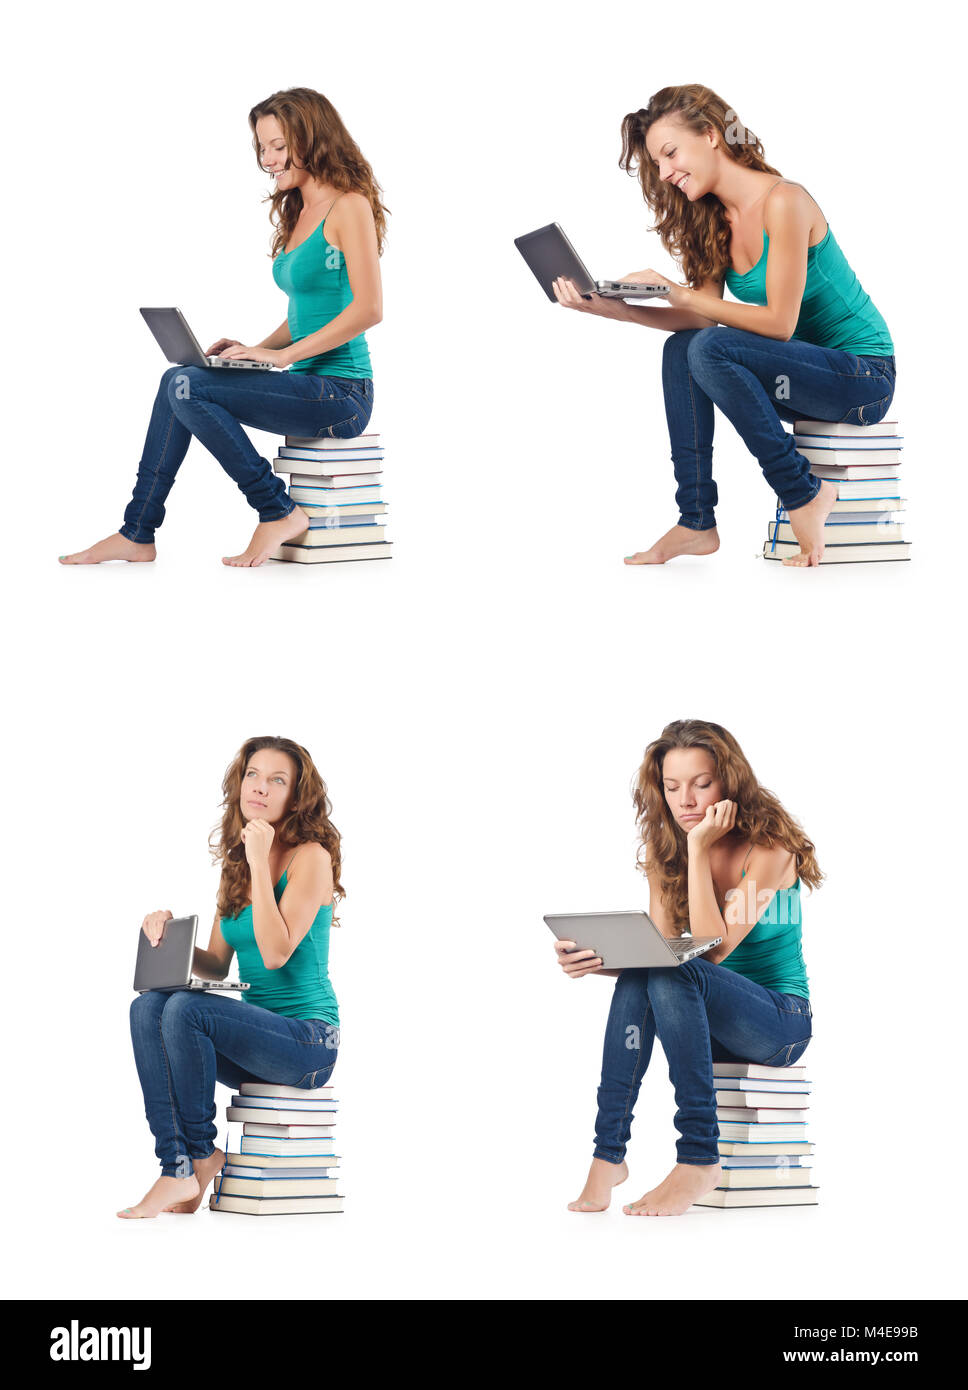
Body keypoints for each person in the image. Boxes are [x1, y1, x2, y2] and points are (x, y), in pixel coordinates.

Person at [552, 84, 896, 567]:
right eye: (657, 164)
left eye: (670, 153)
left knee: (707, 348)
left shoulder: (785, 201)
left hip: (863, 379)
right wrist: (614, 308)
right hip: (803, 376)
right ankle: (696, 521)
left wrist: (674, 289)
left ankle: (803, 493)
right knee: (685, 348)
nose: (665, 172)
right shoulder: (715, 219)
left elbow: (779, 324)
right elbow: (700, 318)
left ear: (711, 134)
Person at [61, 87, 386, 568]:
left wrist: (283, 357)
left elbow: (368, 309)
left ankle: (276, 510)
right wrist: (256, 348)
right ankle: (137, 532)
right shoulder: (299, 212)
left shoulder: (349, 206)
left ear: (313, 140)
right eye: (263, 148)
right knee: (178, 380)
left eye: (279, 146)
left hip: (342, 394)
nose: (269, 159)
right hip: (305, 385)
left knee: (187, 385)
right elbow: (308, 311)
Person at [554, 719, 821, 1217]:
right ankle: (607, 1154)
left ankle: (699, 1155)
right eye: (672, 787)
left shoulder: (771, 850)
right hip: (703, 1019)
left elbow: (710, 952)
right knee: (644, 970)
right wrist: (596, 964)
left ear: (730, 784)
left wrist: (699, 852)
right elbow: (660, 961)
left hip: (780, 1022)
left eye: (702, 784)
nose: (687, 801)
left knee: (677, 968)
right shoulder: (665, 850)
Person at [119, 736, 342, 1219]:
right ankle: (179, 1164)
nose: (259, 788)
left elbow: (277, 952)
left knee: (186, 1008)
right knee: (149, 1007)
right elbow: (217, 964)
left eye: (276, 780)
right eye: (252, 775)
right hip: (256, 1038)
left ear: (295, 796)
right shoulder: (236, 864)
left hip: (309, 1043)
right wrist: (167, 935)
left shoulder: (311, 858)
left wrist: (261, 860)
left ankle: (199, 1157)